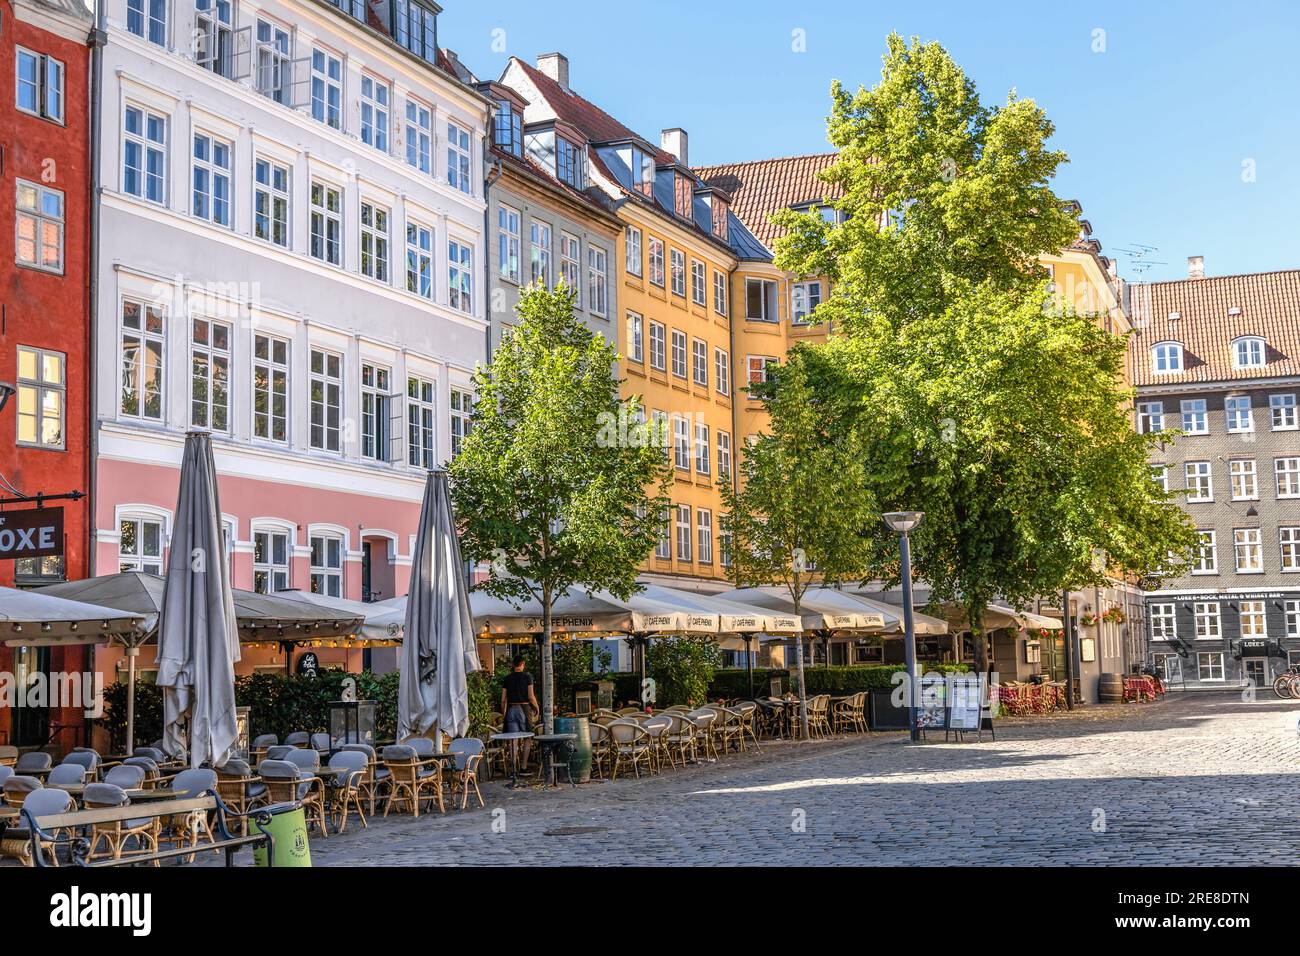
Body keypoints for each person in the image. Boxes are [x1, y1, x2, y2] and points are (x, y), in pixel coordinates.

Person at [500, 655, 539, 767]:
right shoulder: (528, 677)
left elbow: (503, 700)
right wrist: (536, 707)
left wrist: (504, 712)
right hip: (524, 708)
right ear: (523, 665)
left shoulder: (507, 678)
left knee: (513, 740)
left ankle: (514, 769)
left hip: (511, 709)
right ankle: (524, 766)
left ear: (513, 665)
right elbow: (531, 696)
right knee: (527, 738)